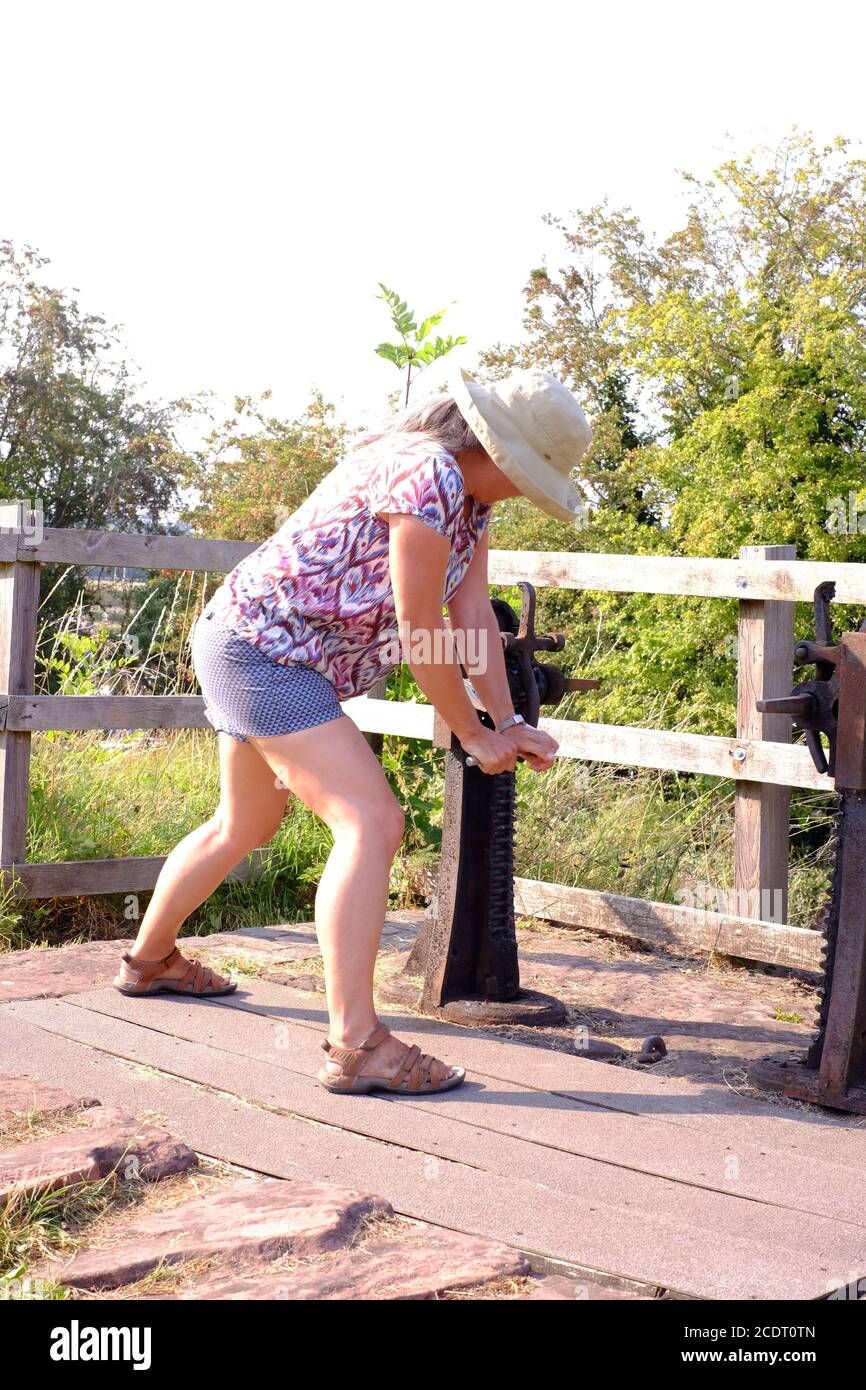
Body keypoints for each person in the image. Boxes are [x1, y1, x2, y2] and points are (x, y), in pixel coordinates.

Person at [113, 363, 592, 1096]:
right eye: (526, 477)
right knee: (370, 822)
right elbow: (419, 622)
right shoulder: (425, 473)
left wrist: (509, 722)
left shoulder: (467, 500)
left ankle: (148, 963)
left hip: (255, 643)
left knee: (242, 821)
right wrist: (470, 730)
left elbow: (470, 618)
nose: (525, 493)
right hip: (264, 652)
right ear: (496, 450)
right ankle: (357, 1043)